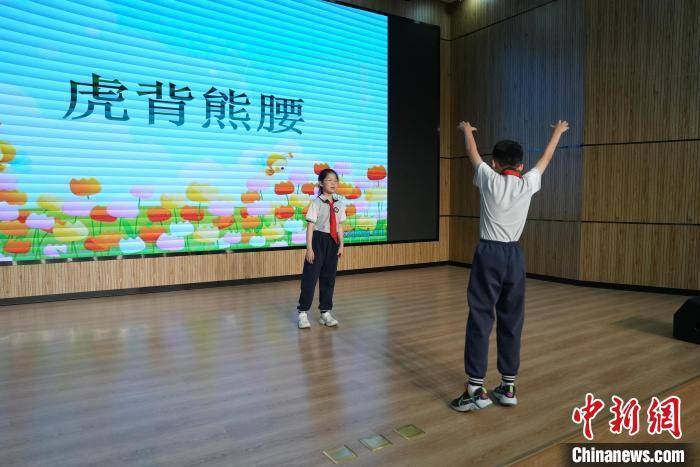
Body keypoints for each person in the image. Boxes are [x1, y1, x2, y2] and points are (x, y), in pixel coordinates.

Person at [450, 120, 569, 412]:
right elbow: (546, 158)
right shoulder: (528, 183)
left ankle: (475, 390)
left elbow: (472, 154)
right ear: (521, 165)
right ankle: (508, 386)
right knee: (512, 319)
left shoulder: (489, 179)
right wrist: (556, 132)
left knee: (481, 317)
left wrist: (467, 132)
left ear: (495, 163)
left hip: (488, 253)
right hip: (514, 256)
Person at [297, 168, 346, 329]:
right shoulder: (316, 203)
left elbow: (339, 226)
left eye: (335, 180)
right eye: (329, 180)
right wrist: (309, 248)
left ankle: (325, 312)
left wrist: (341, 245)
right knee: (310, 278)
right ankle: (303, 312)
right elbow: (310, 227)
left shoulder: (340, 204)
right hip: (318, 240)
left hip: (333, 242)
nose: (333, 183)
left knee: (328, 278)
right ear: (321, 183)